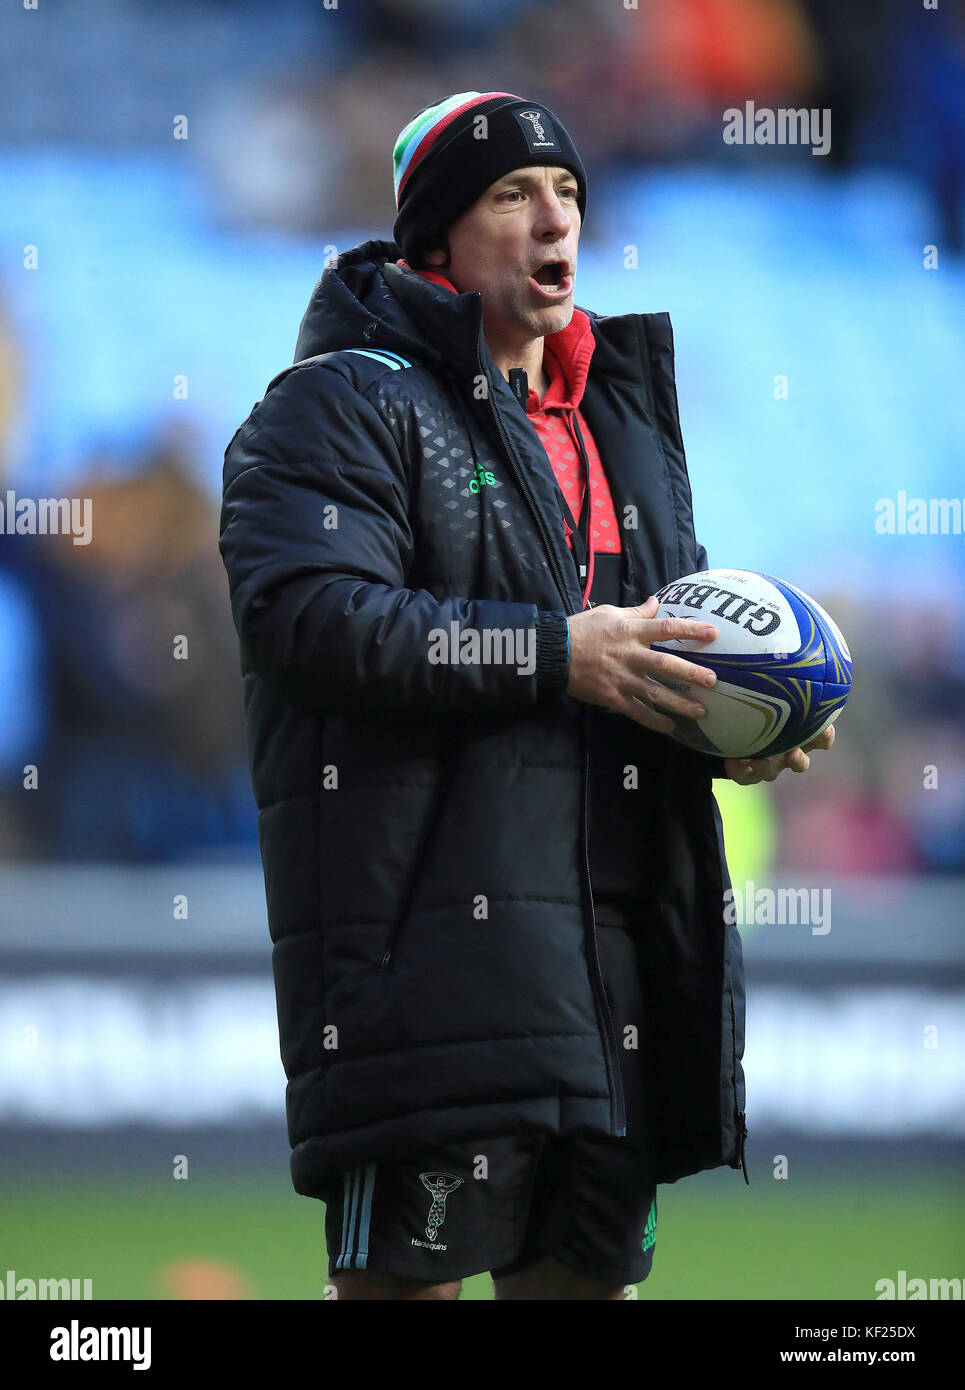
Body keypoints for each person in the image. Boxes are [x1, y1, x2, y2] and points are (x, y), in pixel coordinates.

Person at [219, 91, 833, 1301]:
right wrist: (557, 654)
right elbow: (308, 622)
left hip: (614, 969)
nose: (554, 215)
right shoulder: (338, 403)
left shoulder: (622, 427)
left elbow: (627, 655)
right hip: (428, 961)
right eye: (512, 193)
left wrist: (724, 725)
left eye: (567, 193)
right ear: (434, 238)